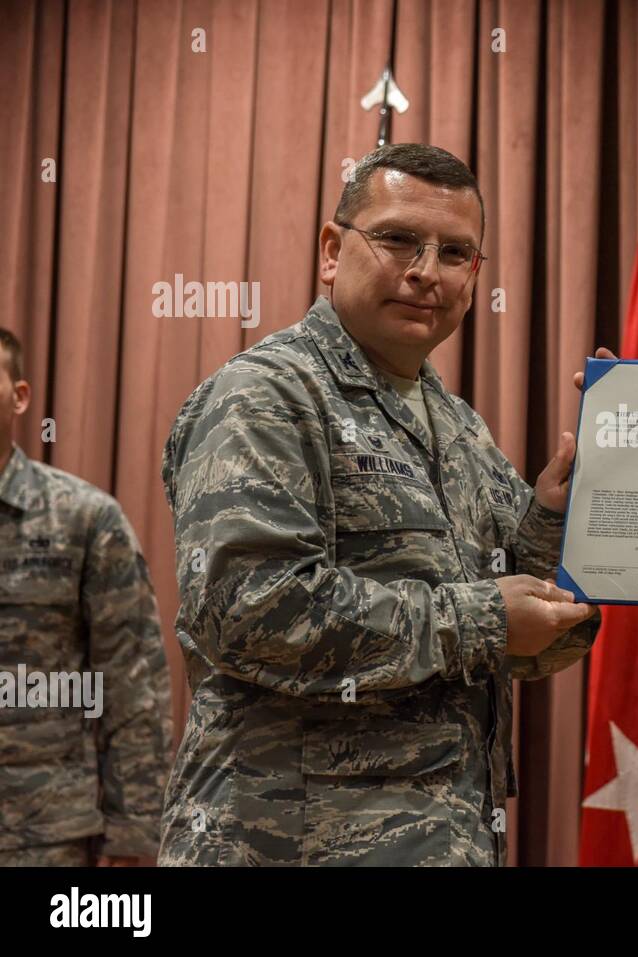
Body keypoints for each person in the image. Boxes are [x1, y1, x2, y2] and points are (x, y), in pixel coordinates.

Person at [160, 144, 597, 866]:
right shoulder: (267, 395)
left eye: (455, 252)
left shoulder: (456, 425)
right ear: (332, 251)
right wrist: (482, 619)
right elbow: (245, 608)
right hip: (282, 842)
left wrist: (562, 514)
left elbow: (535, 629)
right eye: (398, 239)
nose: (426, 270)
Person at [0, 327, 172, 867]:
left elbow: (132, 685)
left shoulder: (83, 518)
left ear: (20, 396)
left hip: (41, 835)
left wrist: (134, 834)